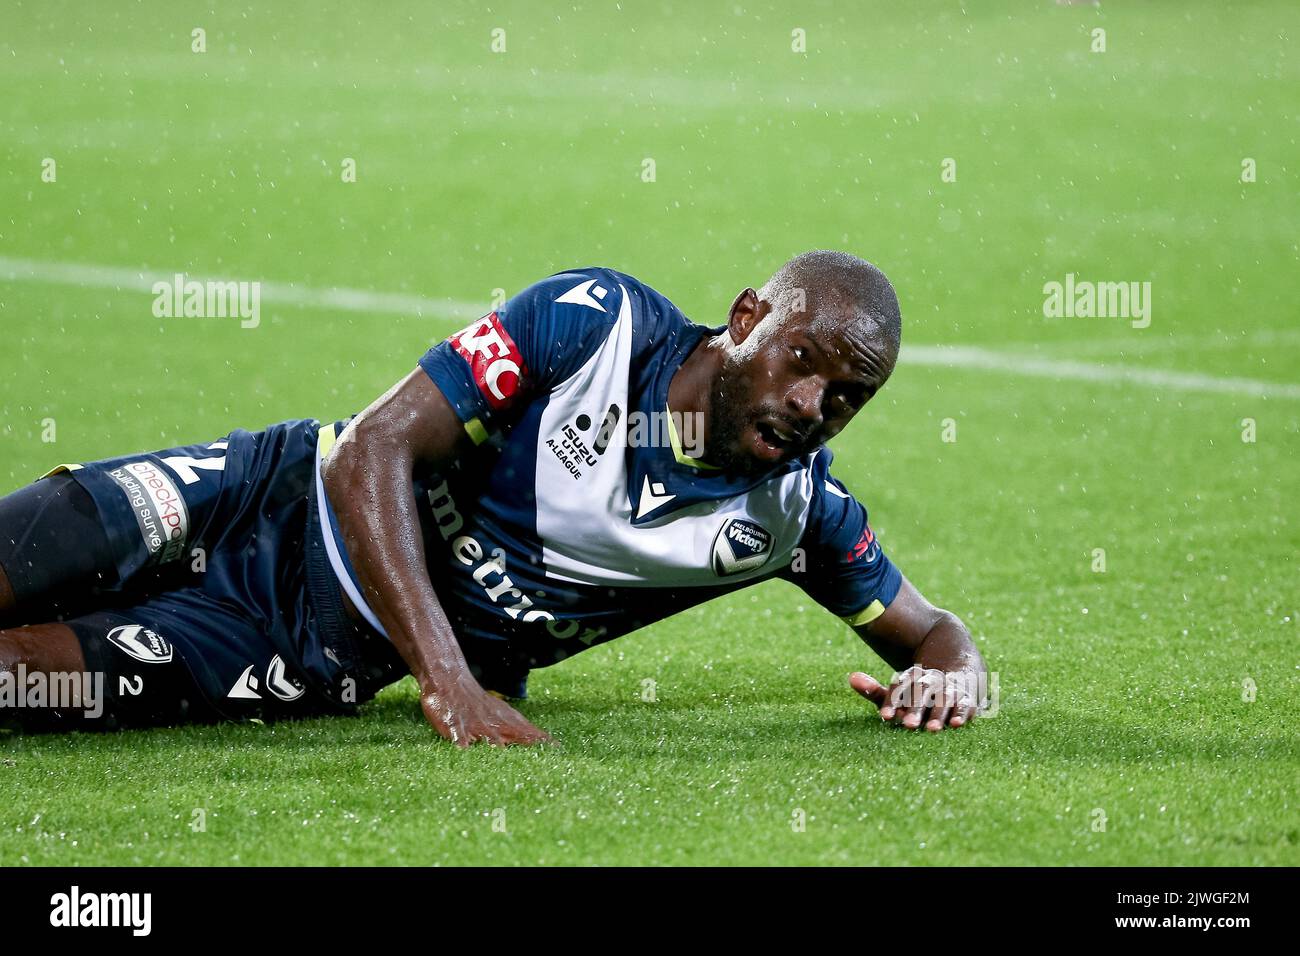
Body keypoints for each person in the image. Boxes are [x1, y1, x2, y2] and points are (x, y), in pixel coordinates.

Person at [0, 250, 987, 743]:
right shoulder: (594, 321)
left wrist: (945, 676)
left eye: (847, 396)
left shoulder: (794, 518)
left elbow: (932, 631)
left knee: (19, 680)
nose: (813, 402)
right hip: (263, 489)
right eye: (801, 360)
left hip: (300, 643)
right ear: (746, 319)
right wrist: (448, 679)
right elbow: (369, 453)